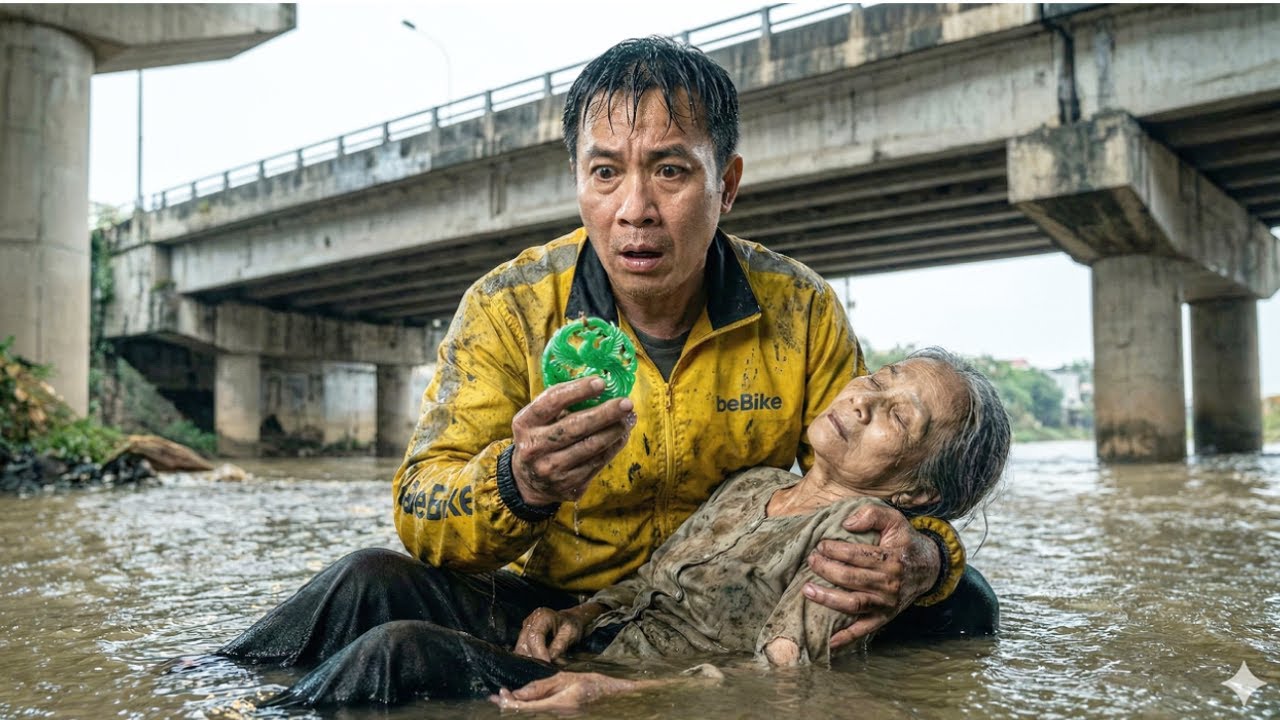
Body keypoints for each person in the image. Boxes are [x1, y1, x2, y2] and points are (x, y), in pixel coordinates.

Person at [215, 36, 993, 700]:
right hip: (548, 608)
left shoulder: (799, 308)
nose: (634, 210)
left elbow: (873, 479)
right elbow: (422, 508)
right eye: (606, 173)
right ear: (578, 180)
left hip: (707, 618)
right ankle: (202, 692)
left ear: (726, 185)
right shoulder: (509, 307)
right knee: (367, 579)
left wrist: (926, 558)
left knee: (968, 604)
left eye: (671, 171)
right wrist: (520, 482)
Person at [256, 348, 1011, 709]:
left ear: (917, 488)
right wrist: (578, 615)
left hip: (628, 677)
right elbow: (647, 582)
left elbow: (785, 677)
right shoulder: (755, 484)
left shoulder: (857, 539)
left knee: (399, 650)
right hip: (598, 636)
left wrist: (613, 693)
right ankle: (213, 686)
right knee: (370, 574)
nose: (863, 400)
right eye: (877, 379)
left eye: (897, 416)